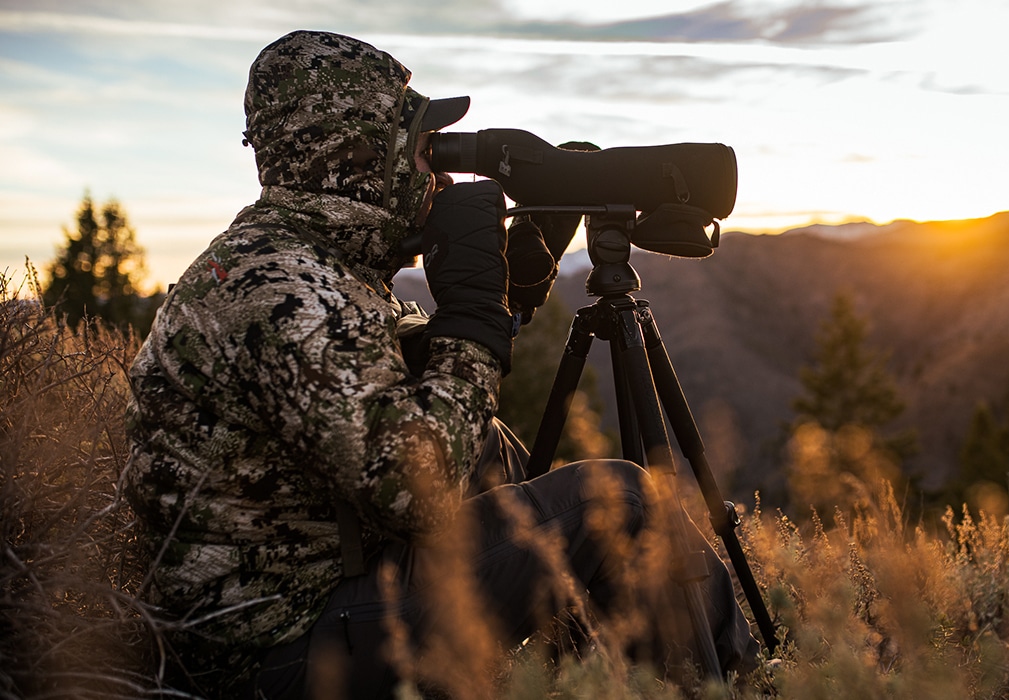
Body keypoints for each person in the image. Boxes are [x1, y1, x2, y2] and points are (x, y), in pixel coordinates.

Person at [124, 30, 758, 698]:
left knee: (489, 448)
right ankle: (726, 689)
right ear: (359, 151)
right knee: (624, 499)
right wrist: (475, 321)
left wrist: (503, 298)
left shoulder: (298, 258)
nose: (444, 174)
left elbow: (376, 393)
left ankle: (623, 670)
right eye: (424, 149)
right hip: (277, 658)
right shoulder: (282, 289)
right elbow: (412, 489)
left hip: (299, 603)